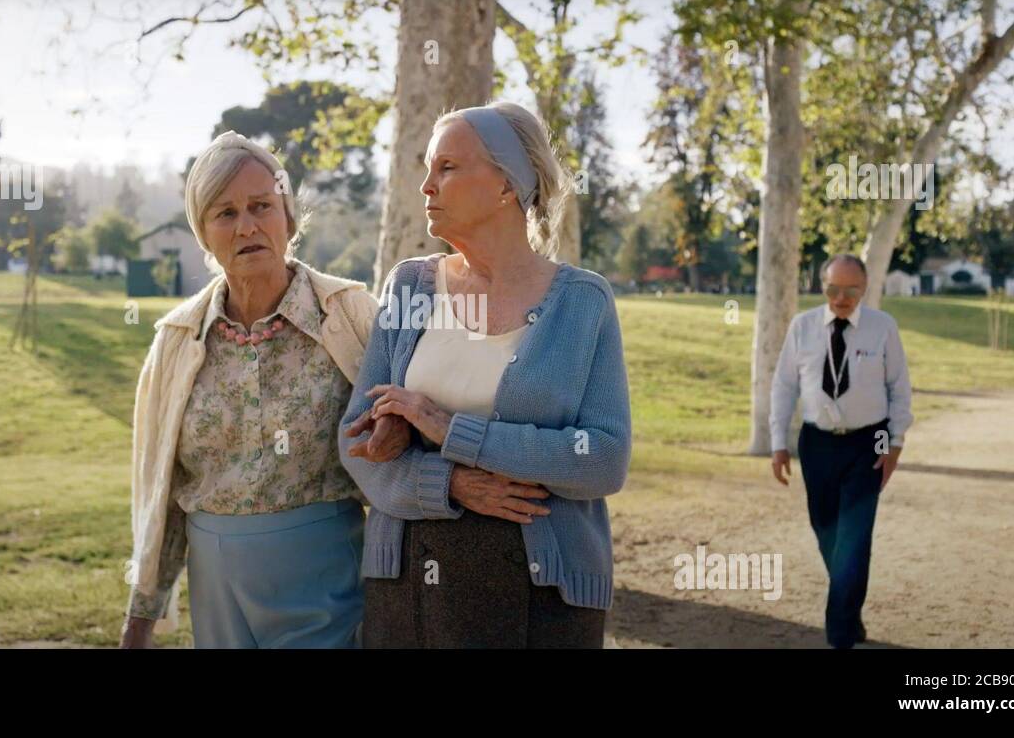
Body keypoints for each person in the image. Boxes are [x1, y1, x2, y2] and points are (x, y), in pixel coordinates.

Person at [338, 102, 632, 648]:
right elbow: (353, 439)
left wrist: (451, 431)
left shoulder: (583, 301)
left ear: (505, 184)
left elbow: (604, 458)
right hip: (410, 589)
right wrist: (447, 483)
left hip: (544, 596)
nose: (427, 185)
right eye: (428, 168)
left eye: (447, 168)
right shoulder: (408, 287)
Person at [120, 131, 409, 649]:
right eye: (225, 213)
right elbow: (160, 492)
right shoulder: (176, 340)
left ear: (289, 217)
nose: (247, 226)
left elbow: (403, 432)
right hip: (217, 587)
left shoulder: (349, 314)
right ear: (203, 234)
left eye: (261, 206)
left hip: (326, 577)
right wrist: (140, 619)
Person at [769, 253, 914, 649]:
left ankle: (839, 634)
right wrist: (778, 442)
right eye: (833, 289)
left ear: (864, 290)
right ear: (823, 288)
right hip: (816, 443)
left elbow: (898, 389)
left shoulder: (883, 328)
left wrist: (895, 444)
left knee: (855, 536)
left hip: (869, 441)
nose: (841, 298)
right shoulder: (803, 328)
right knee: (826, 530)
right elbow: (784, 386)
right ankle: (850, 614)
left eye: (851, 290)